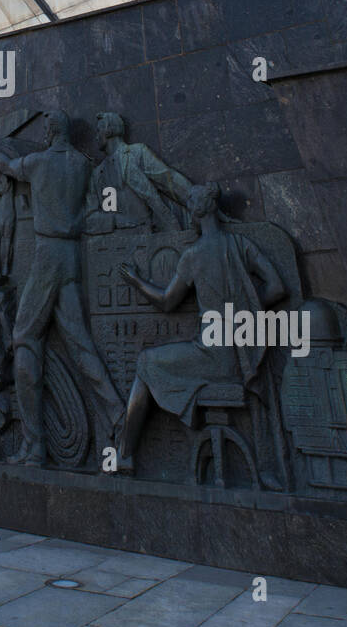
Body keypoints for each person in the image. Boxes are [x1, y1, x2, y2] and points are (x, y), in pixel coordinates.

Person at [0, 111, 123, 466]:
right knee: (81, 344)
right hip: (72, 258)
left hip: (48, 256)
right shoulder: (82, 165)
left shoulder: (38, 163)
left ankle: (34, 446)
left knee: (24, 338)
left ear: (50, 132)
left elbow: (7, 167)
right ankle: (118, 414)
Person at [116, 182, 286, 470]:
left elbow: (167, 301)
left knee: (145, 362)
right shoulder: (241, 245)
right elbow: (277, 287)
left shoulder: (194, 255)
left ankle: (123, 455)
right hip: (240, 356)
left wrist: (135, 280)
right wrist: (247, 312)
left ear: (196, 210)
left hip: (212, 354)